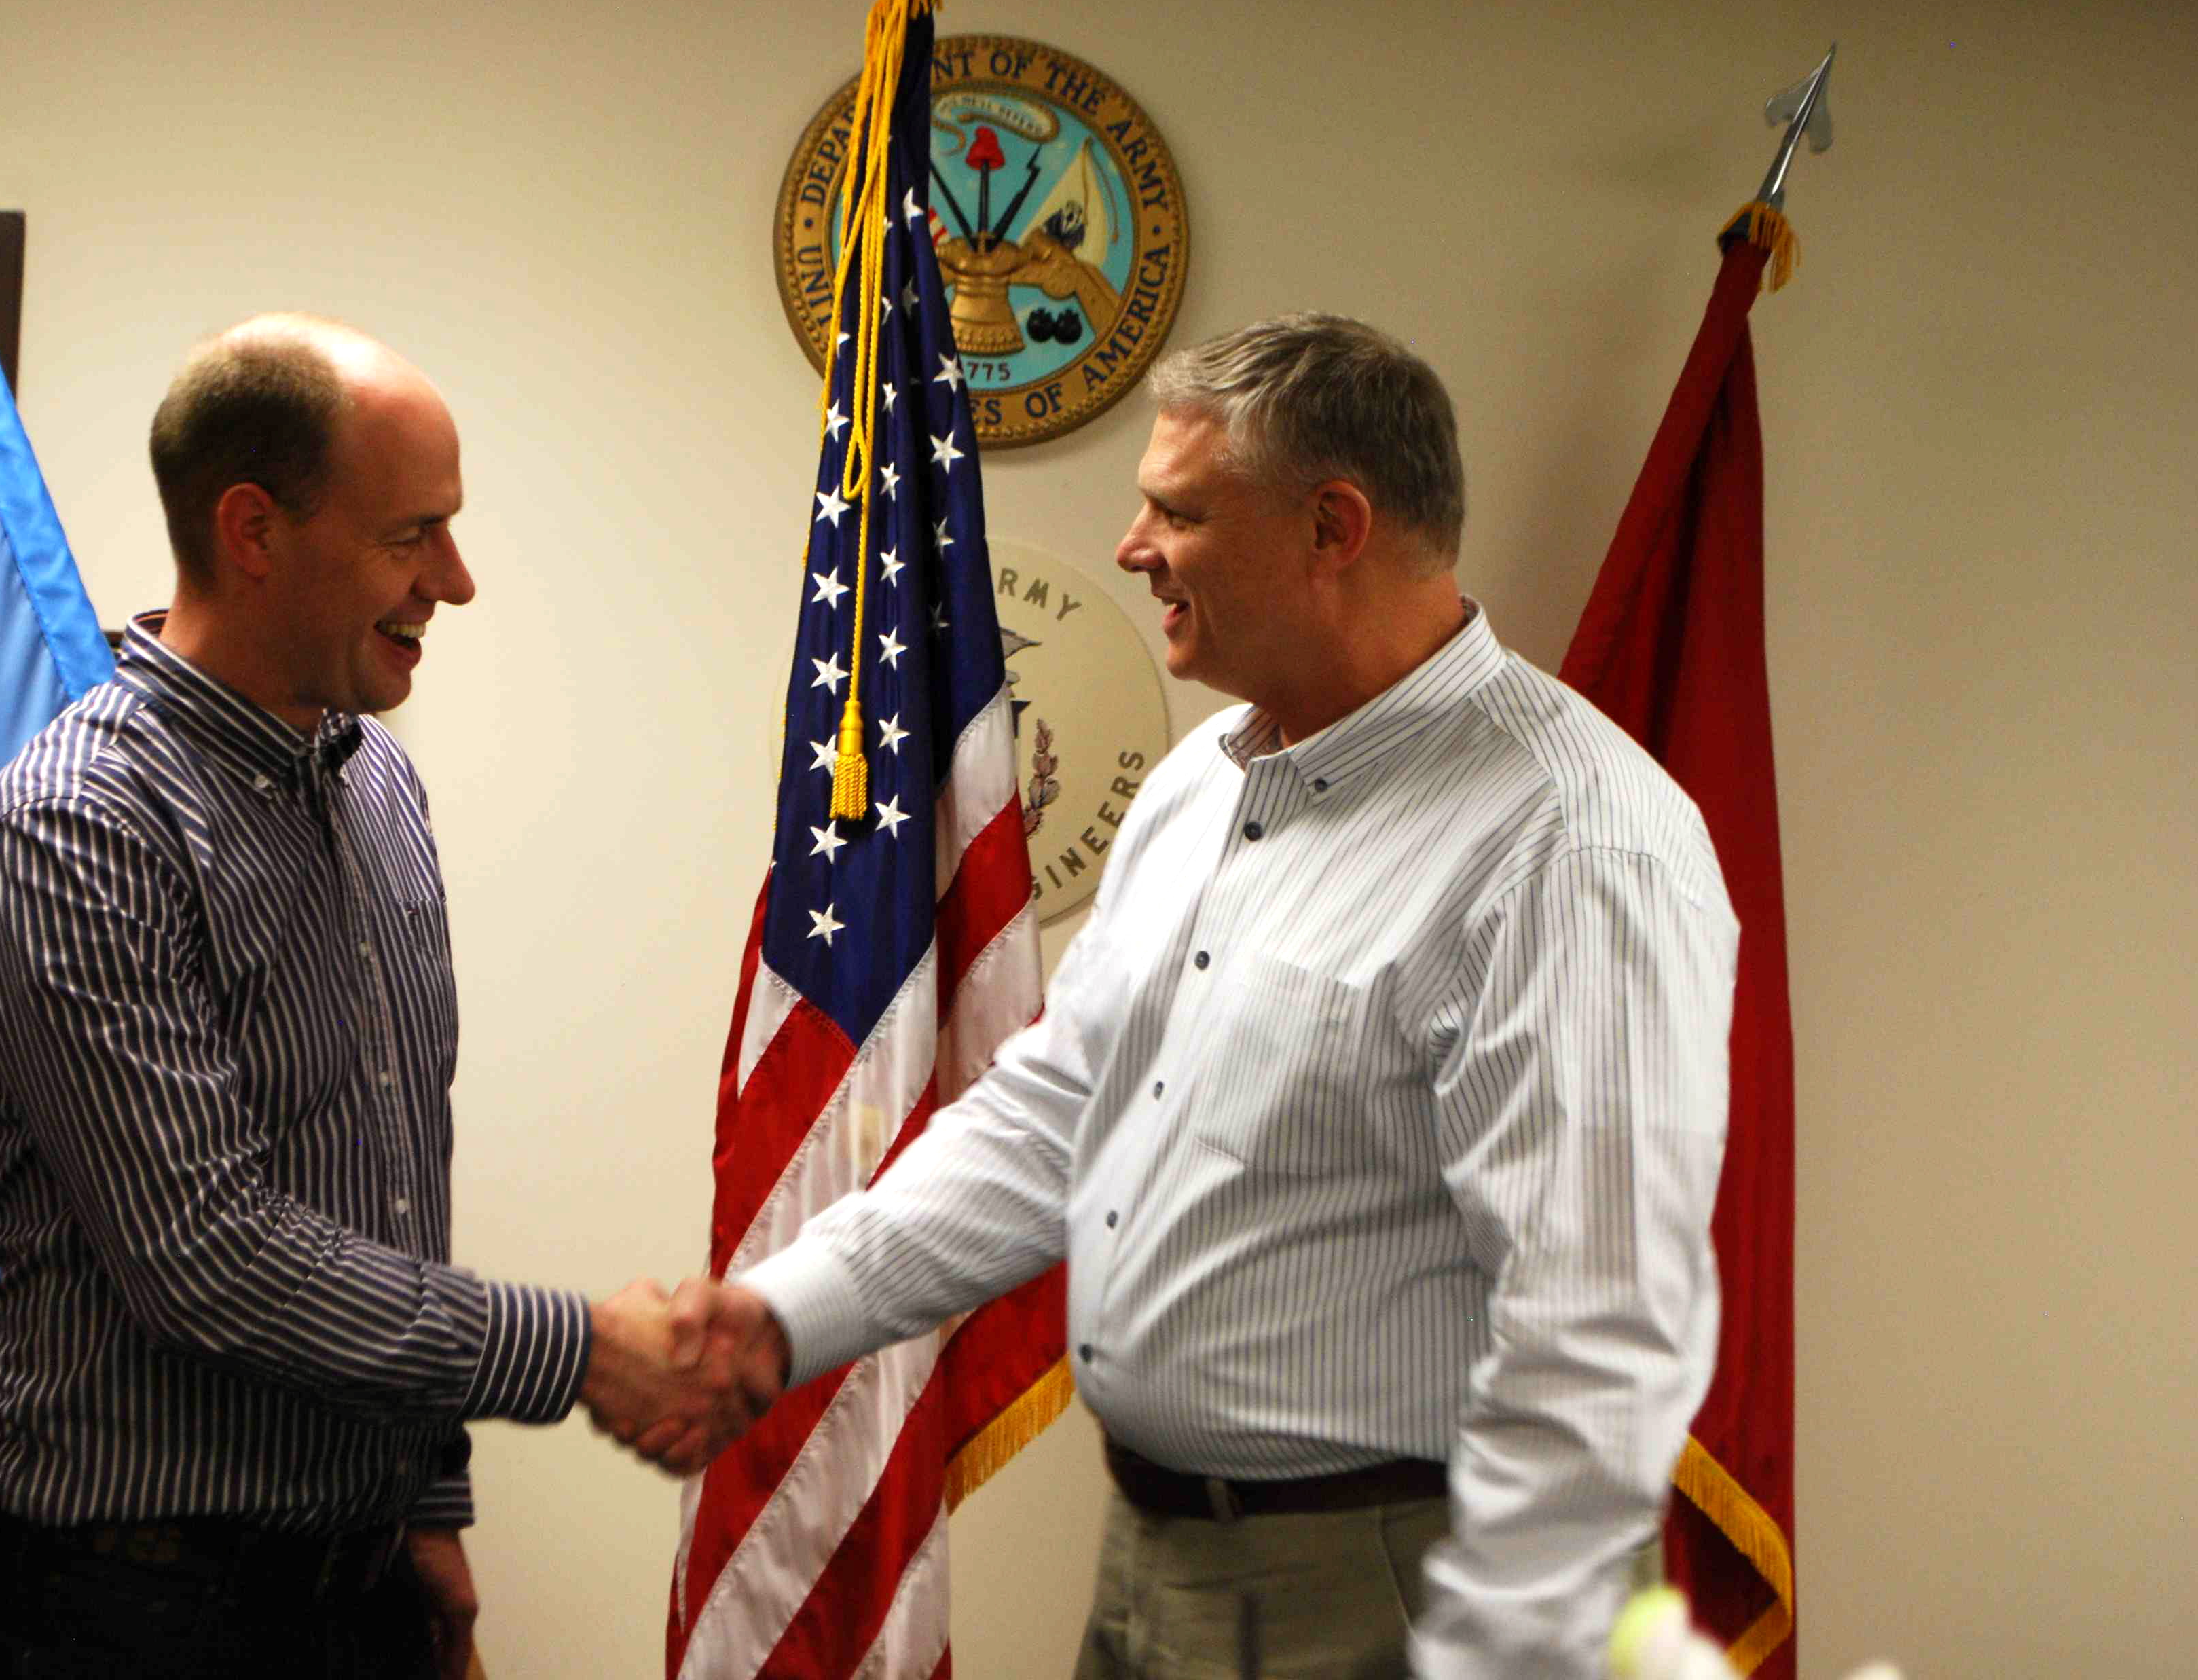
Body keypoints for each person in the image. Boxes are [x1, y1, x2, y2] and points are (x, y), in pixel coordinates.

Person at [676, 314, 1739, 1678]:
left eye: (1176, 512)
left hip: (1401, 1591)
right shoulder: (1205, 784)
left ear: (1332, 527)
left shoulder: (1567, 843)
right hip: (1162, 1565)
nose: (1133, 548)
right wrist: (779, 1314)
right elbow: (1061, 1112)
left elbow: (1596, 1320)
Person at [0, 315, 767, 1679]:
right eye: (410, 535)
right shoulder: (80, 827)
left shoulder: (373, 780)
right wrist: (581, 1350)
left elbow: (388, 1176)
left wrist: (426, 1506)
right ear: (253, 530)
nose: (456, 578)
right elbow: (208, 1253)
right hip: (129, 1614)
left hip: (358, 1583)